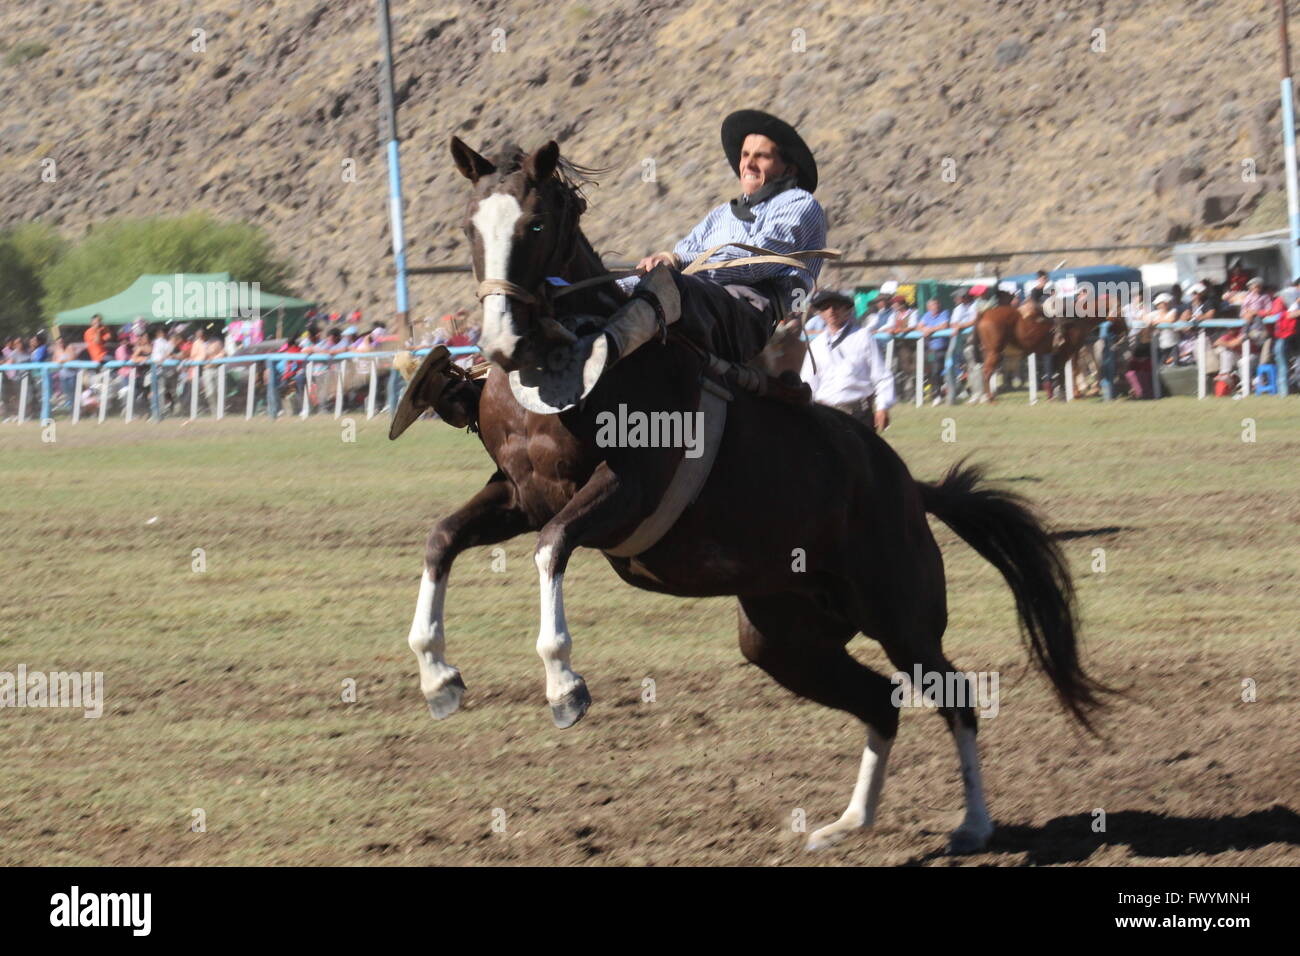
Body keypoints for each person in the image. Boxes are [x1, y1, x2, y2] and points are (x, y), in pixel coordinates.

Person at [590, 110, 828, 387]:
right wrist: (614, 285)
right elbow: (679, 260)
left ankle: (600, 355)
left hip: (750, 312)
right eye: (745, 155)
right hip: (700, 300)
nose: (748, 163)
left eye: (761, 156)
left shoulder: (799, 204)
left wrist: (676, 260)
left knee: (673, 286)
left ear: (789, 169)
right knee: (618, 290)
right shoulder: (721, 214)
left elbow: (758, 260)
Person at [799, 291, 893, 430]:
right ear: (821, 314)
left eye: (836, 306)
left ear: (846, 310)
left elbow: (881, 376)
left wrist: (882, 406)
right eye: (826, 307)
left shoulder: (863, 337)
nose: (831, 311)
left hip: (858, 413)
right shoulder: (816, 345)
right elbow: (808, 383)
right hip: (825, 415)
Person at [916, 298, 950, 404]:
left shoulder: (944, 313)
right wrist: (924, 329)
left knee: (938, 371)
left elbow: (944, 325)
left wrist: (929, 329)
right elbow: (918, 327)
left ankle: (938, 394)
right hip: (930, 349)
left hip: (942, 348)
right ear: (928, 307)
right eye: (932, 305)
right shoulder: (926, 315)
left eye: (936, 305)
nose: (934, 307)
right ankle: (935, 394)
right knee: (931, 372)